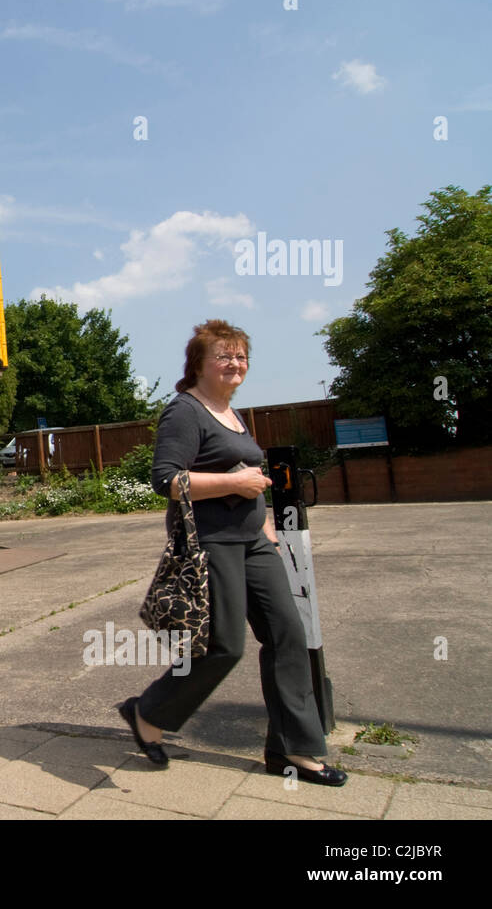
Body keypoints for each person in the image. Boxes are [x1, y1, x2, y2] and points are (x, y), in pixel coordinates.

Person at [117, 319, 347, 786]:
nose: (235, 363)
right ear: (198, 364)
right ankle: (147, 713)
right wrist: (233, 484)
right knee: (224, 647)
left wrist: (261, 519)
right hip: (210, 544)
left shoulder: (233, 413)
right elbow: (167, 480)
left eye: (241, 356)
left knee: (287, 636)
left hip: (253, 543)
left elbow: (246, 472)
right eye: (224, 355)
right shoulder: (184, 411)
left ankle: (293, 751)